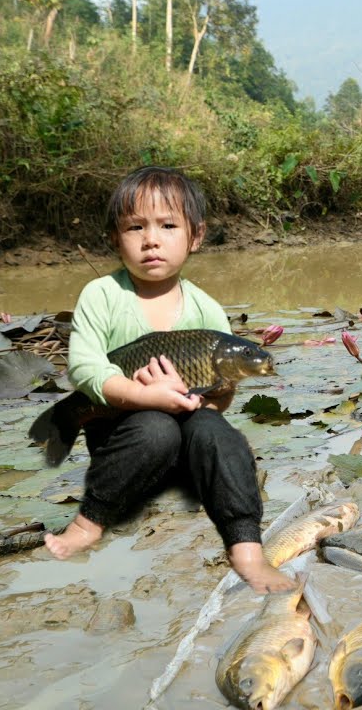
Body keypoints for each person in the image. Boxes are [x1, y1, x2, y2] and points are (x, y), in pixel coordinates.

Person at [43, 166, 292, 594]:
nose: (151, 239)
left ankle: (247, 549)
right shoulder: (101, 295)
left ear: (195, 236)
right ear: (113, 238)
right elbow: (84, 368)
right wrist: (142, 395)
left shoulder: (207, 310)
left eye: (168, 226)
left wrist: (208, 400)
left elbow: (218, 399)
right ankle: (87, 523)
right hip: (122, 431)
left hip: (187, 433)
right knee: (155, 428)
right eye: (135, 227)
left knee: (222, 435)